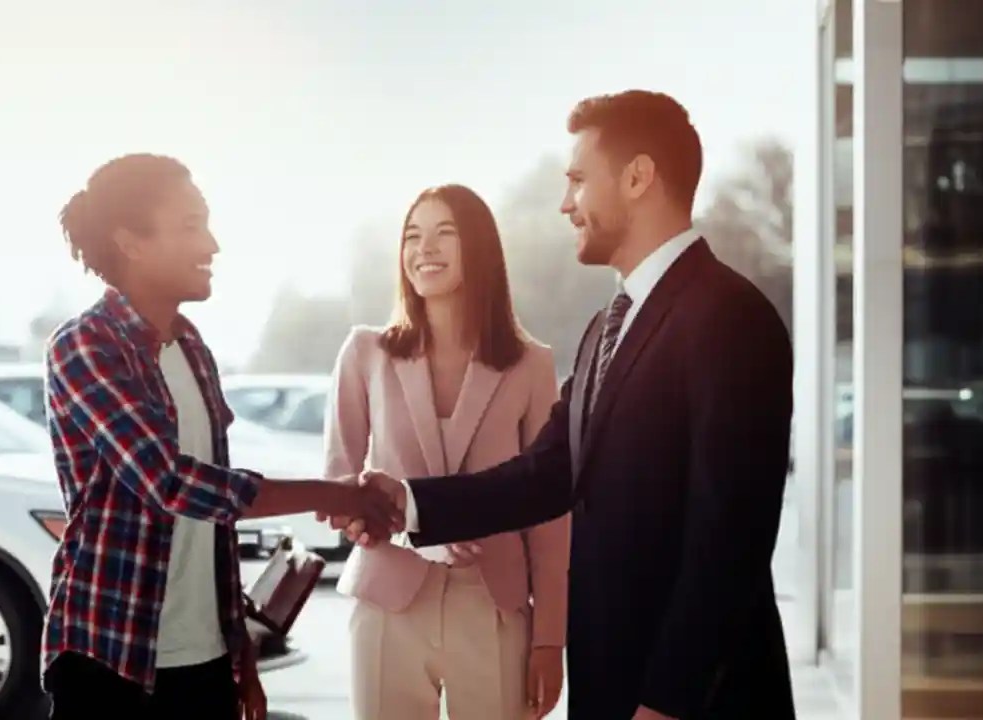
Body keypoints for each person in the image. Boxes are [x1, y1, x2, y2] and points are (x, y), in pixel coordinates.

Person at [335, 91, 797, 720]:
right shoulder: (609, 324)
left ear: (637, 177)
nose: (565, 202)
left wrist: (665, 701)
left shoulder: (729, 317)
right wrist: (410, 501)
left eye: (578, 180)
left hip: (688, 698)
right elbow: (548, 472)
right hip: (616, 681)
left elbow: (730, 540)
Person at [40, 153, 401, 720]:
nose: (211, 245)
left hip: (205, 662)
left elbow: (215, 520)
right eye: (190, 225)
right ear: (130, 242)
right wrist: (336, 494)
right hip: (108, 655)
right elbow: (171, 484)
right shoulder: (84, 346)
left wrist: (242, 655)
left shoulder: (192, 349)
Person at [324, 184, 570, 719]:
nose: (423, 249)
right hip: (388, 606)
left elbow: (552, 516)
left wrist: (550, 638)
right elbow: (338, 494)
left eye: (444, 234)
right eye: (412, 236)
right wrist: (413, 535)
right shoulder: (365, 352)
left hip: (495, 609)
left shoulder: (531, 365)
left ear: (479, 247)